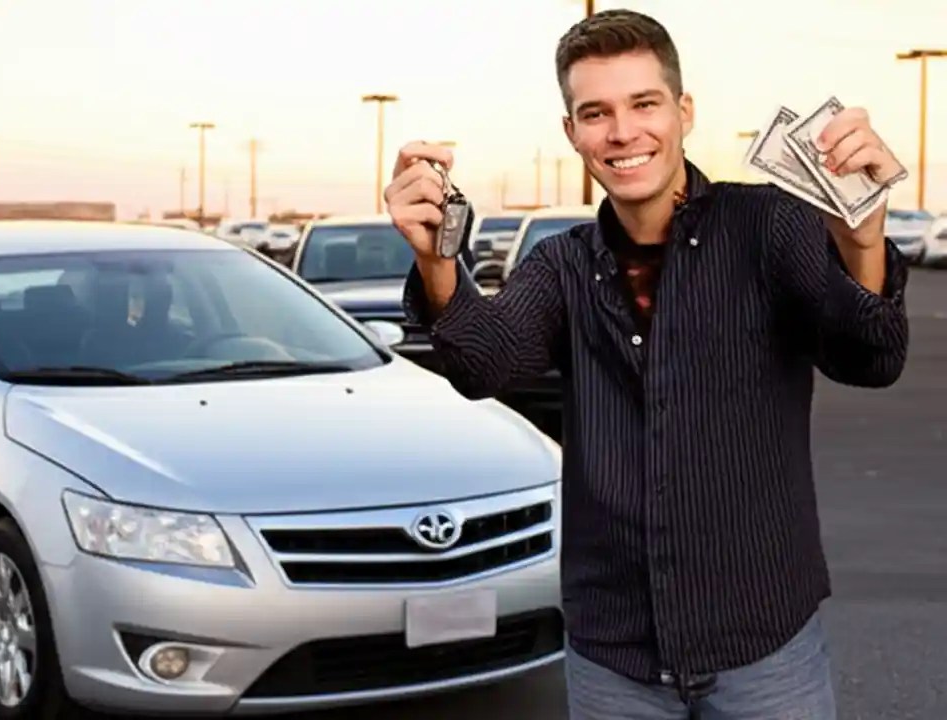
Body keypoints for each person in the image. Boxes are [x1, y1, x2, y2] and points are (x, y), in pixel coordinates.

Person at [386, 9, 909, 720]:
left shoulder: (768, 227)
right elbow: (486, 362)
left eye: (643, 104)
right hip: (617, 661)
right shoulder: (562, 265)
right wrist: (435, 259)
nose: (623, 132)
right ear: (573, 134)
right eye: (595, 113)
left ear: (683, 111)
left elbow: (872, 356)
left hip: (764, 651)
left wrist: (863, 241)